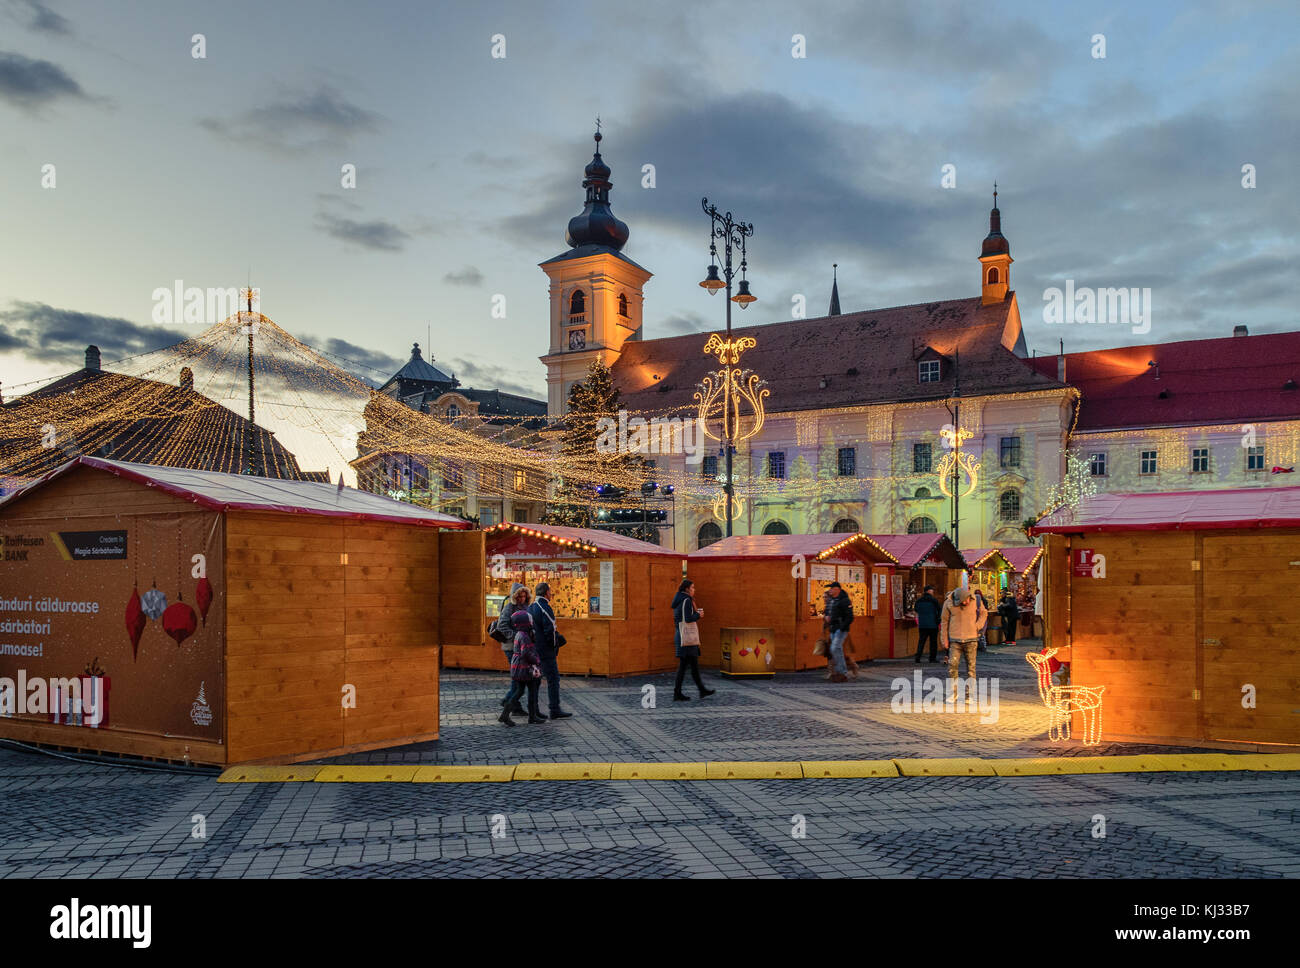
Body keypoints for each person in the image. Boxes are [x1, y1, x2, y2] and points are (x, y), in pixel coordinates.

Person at [528, 582, 572, 719]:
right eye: (550, 592)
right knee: (553, 679)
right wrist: (554, 647)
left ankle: (534, 710)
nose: (551, 594)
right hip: (545, 651)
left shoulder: (531, 607)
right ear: (546, 593)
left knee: (535, 680)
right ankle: (554, 709)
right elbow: (550, 630)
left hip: (535, 649)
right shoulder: (544, 607)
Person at [497, 583, 538, 718]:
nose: (522, 598)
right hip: (512, 647)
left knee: (519, 678)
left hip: (524, 647)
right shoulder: (509, 607)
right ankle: (509, 703)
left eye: (524, 595)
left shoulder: (528, 607)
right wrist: (517, 637)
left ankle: (513, 704)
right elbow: (502, 625)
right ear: (515, 596)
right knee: (518, 678)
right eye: (519, 596)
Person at [498, 610, 545, 726]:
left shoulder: (519, 634)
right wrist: (537, 660)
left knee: (519, 691)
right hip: (525, 668)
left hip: (518, 667)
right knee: (532, 691)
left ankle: (505, 714)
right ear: (525, 623)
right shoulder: (524, 636)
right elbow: (526, 652)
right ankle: (532, 716)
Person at [671, 579, 715, 701]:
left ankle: (700, 690)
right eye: (692, 587)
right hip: (686, 638)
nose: (694, 590)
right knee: (686, 666)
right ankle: (679, 693)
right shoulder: (686, 600)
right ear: (687, 589)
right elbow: (688, 619)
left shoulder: (679, 599)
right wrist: (698, 615)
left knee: (691, 666)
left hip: (681, 636)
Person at [941, 586, 987, 688]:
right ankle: (953, 692)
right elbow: (944, 621)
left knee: (971, 669)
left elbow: (984, 613)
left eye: (965, 601)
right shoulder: (948, 603)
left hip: (971, 639)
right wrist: (944, 639)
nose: (964, 603)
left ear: (968, 596)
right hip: (954, 639)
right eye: (961, 602)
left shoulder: (976, 600)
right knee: (952, 666)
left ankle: (969, 694)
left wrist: (977, 626)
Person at [824, 581, 854, 683]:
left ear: (837, 589)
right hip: (833, 628)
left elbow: (850, 617)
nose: (830, 590)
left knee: (835, 647)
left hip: (840, 629)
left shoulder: (845, 601)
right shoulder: (832, 600)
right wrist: (827, 616)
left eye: (831, 588)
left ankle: (841, 671)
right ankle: (842, 672)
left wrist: (842, 627)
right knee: (837, 650)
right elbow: (827, 611)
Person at [913, 585, 942, 663]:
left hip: (922, 624)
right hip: (933, 624)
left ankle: (918, 657)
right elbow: (939, 611)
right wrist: (938, 621)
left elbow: (916, 610)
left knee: (921, 641)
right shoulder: (934, 600)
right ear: (929, 591)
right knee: (933, 642)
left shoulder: (919, 601)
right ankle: (932, 658)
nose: (933, 592)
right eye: (932, 590)